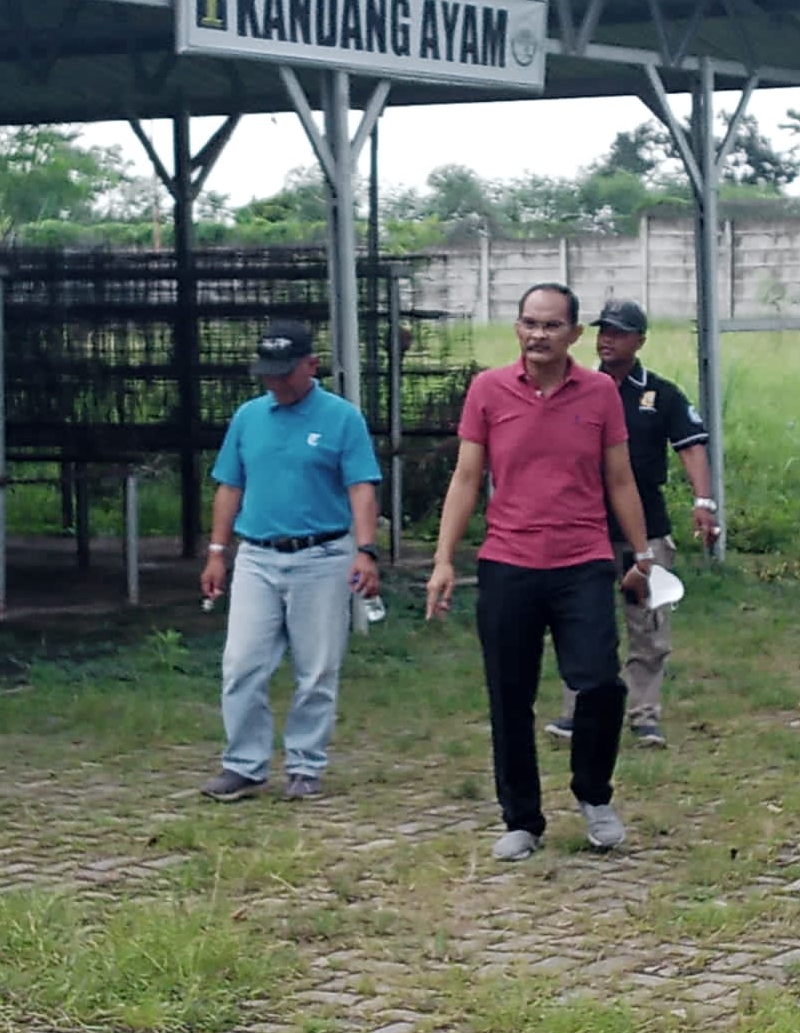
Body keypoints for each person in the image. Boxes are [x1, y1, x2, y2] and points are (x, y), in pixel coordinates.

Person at [425, 283, 656, 862]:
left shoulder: (600, 393)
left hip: (582, 561)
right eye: (529, 323)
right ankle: (522, 819)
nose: (538, 335)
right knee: (510, 695)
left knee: (600, 683)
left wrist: (641, 553)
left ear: (575, 334)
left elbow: (620, 479)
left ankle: (593, 794)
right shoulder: (489, 390)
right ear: (517, 328)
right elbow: (467, 479)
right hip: (509, 563)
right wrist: (443, 560)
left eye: (551, 325)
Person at [199, 320, 382, 803]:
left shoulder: (342, 418)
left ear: (310, 366)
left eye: (285, 373)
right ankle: (243, 764)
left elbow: (361, 485)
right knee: (241, 663)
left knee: (317, 668)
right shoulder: (248, 417)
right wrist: (218, 553)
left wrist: (366, 550)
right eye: (267, 374)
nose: (275, 383)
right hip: (258, 555)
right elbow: (229, 486)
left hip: (322, 555)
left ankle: (305, 764)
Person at [545, 298, 719, 749]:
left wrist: (704, 501)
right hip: (585, 529)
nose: (608, 339)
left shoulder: (660, 394)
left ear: (640, 341)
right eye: (603, 330)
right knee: (584, 624)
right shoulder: (576, 387)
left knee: (648, 624)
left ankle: (644, 715)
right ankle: (577, 712)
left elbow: (691, 447)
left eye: (619, 332)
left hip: (646, 529)